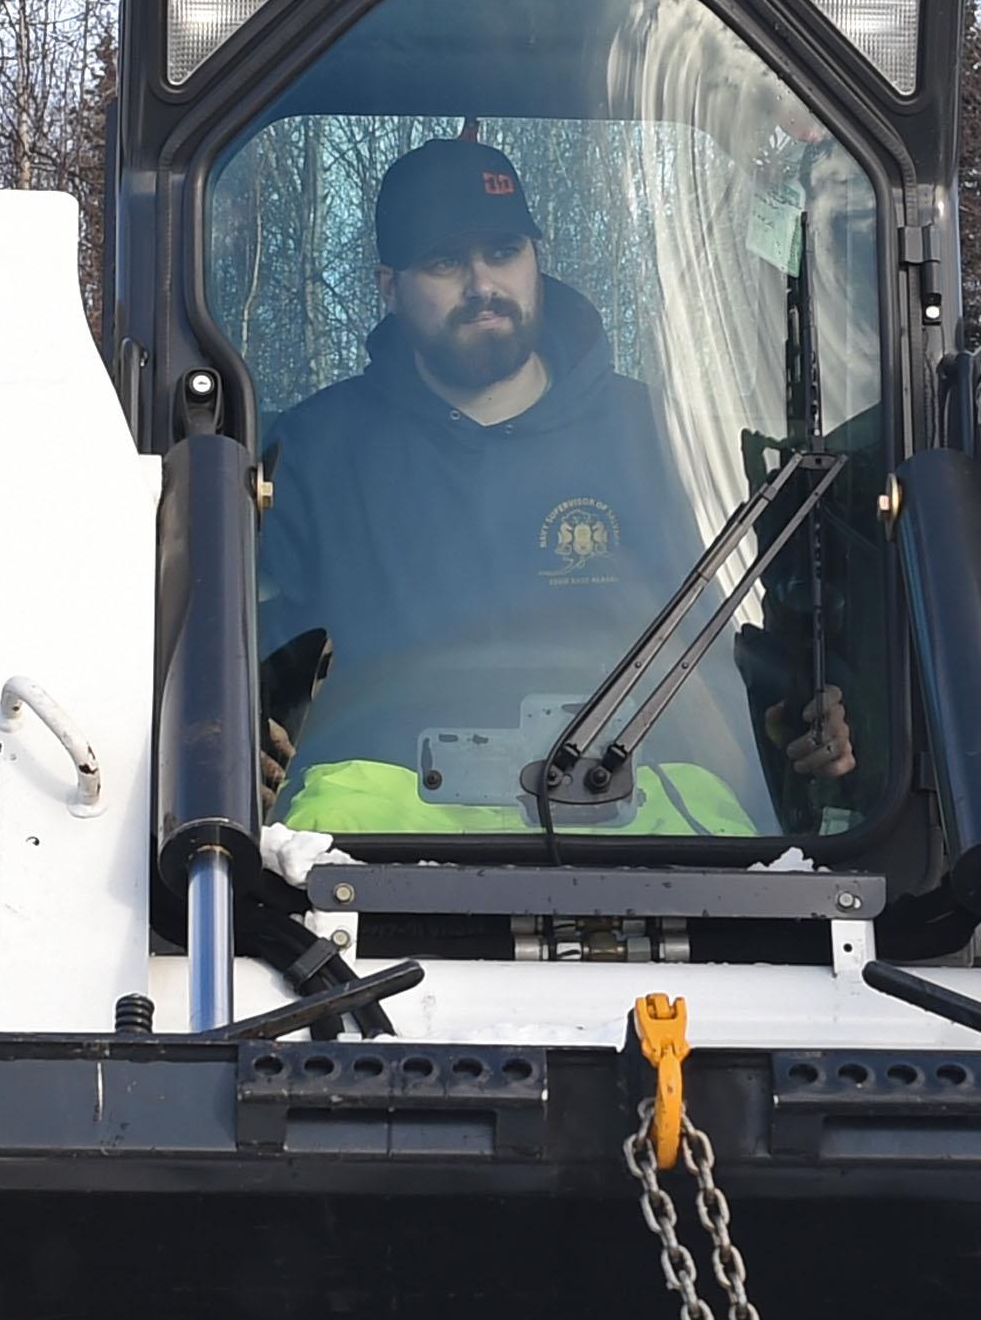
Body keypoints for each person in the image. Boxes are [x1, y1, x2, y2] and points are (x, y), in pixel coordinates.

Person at [257, 135, 847, 832]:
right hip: (378, 824)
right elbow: (261, 667)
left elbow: (721, 642)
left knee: (746, 858)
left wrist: (796, 730)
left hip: (642, 806)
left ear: (536, 261)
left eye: (503, 253)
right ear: (389, 287)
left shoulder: (655, 434)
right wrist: (248, 743)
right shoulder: (314, 450)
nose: (482, 286)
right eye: (445, 262)